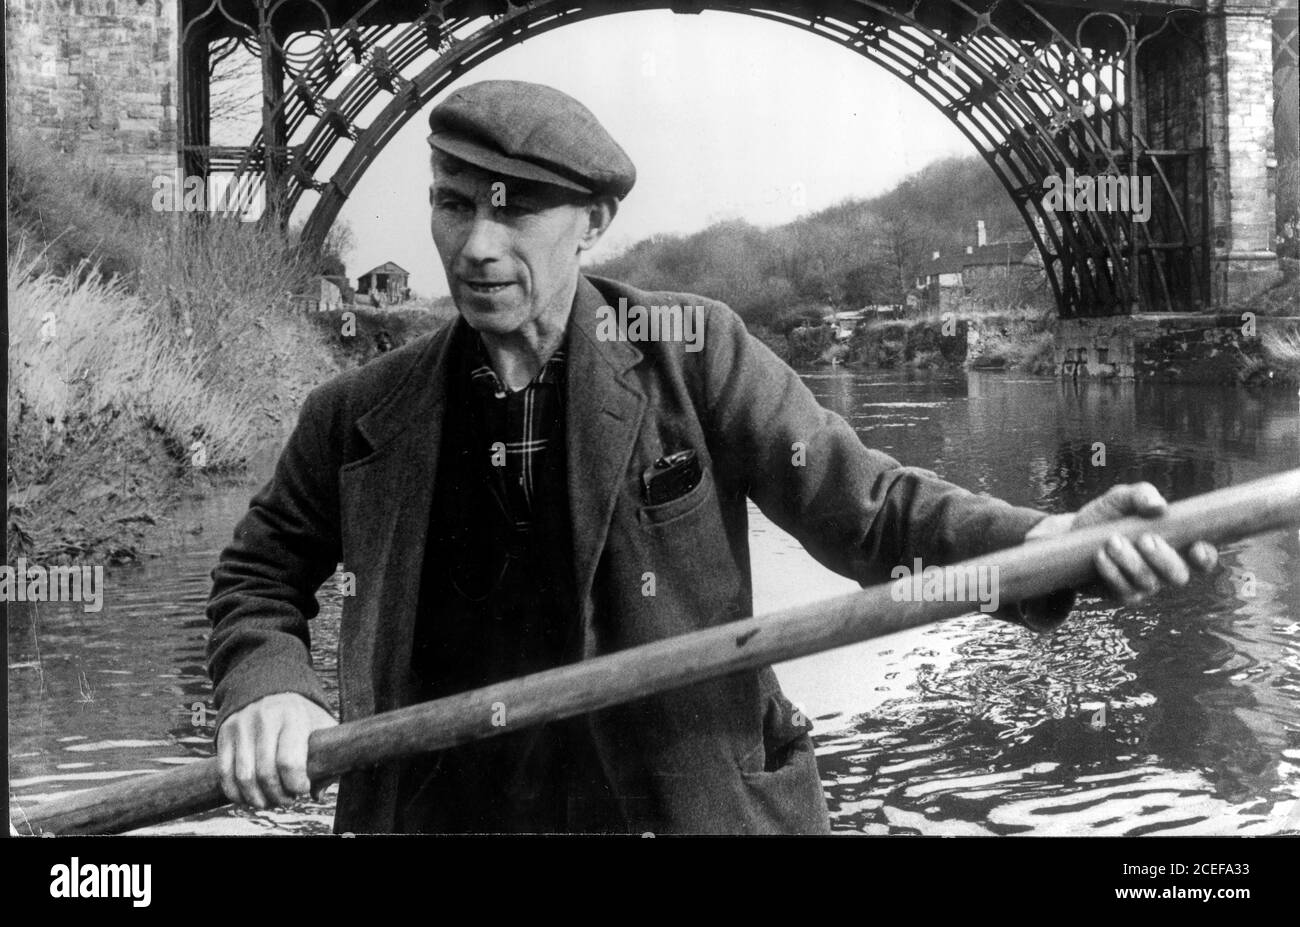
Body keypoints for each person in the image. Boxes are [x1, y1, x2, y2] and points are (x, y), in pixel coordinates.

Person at [206, 79, 1219, 834]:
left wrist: (1045, 539)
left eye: (514, 209)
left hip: (683, 814)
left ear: (593, 222)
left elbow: (866, 510)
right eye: (452, 203)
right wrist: (270, 689)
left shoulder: (694, 352)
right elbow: (259, 575)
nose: (475, 245)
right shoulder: (359, 413)